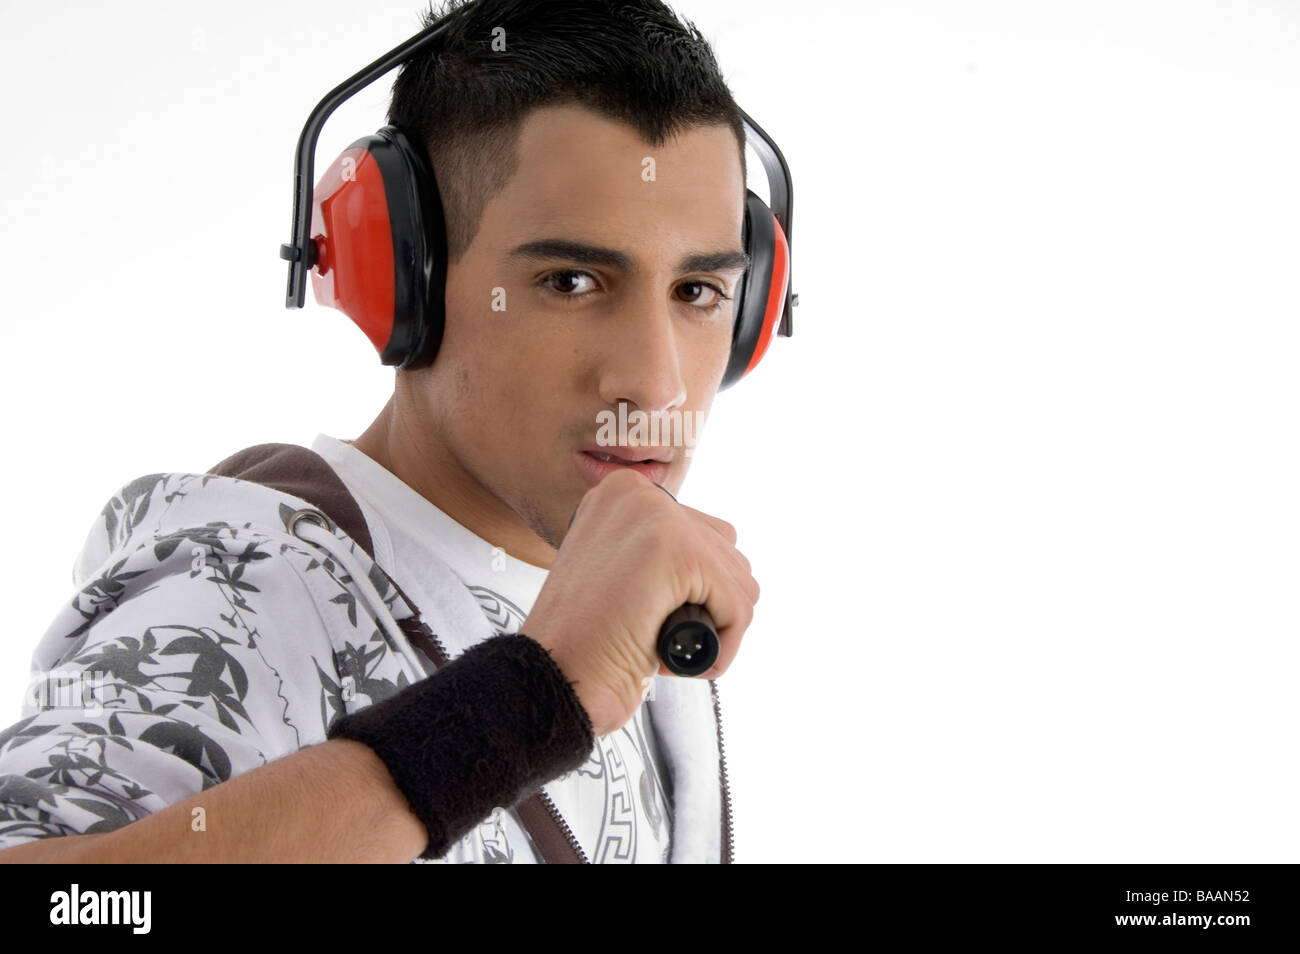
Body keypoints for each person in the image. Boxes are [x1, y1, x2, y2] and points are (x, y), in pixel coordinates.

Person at [0, 0, 768, 864]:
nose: (658, 384)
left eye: (698, 292)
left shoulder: (644, 607)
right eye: (570, 282)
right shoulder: (236, 596)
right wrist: (524, 704)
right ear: (403, 280)